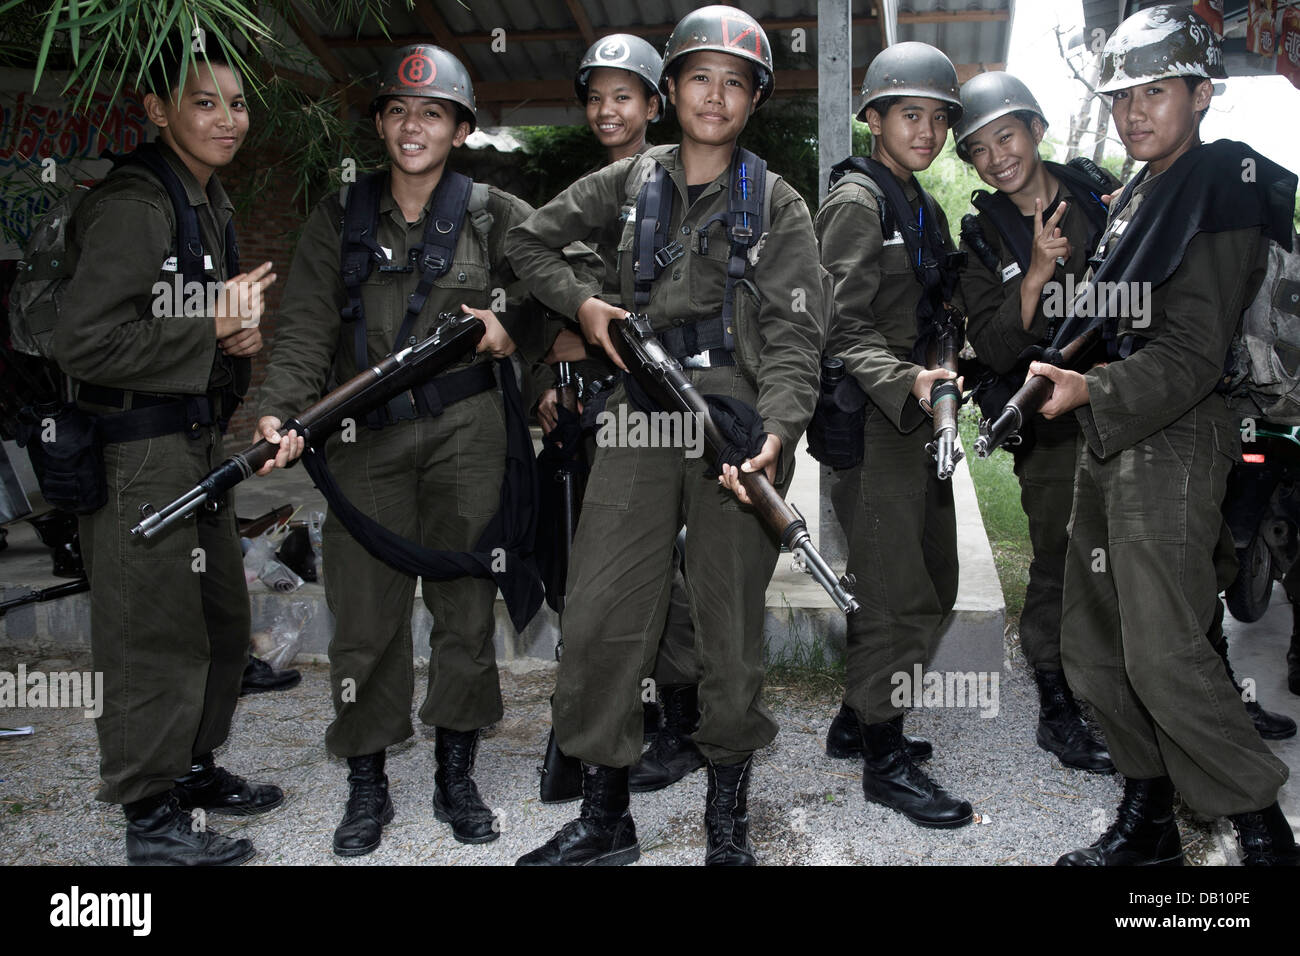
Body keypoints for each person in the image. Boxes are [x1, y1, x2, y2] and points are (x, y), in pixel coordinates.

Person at [255, 44, 595, 857]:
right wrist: (280, 411)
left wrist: (525, 336)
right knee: (364, 622)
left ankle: (456, 772)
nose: (415, 126)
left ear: (460, 127)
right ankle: (367, 780)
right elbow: (303, 326)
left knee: (464, 611)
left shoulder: (497, 214)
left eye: (433, 112)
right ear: (380, 123)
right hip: (363, 442)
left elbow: (569, 285)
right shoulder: (340, 217)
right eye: (400, 111)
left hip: (468, 438)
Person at [507, 5, 824, 865]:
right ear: (672, 90)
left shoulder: (780, 202)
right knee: (605, 606)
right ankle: (607, 816)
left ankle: (727, 813)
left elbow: (798, 337)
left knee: (727, 625)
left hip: (735, 420)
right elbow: (530, 242)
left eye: (734, 81)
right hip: (642, 404)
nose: (714, 96)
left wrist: (779, 431)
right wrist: (584, 304)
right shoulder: (631, 180)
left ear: (753, 99)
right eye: (699, 77)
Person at [1033, 5, 1298, 866]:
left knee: (1165, 652)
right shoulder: (1143, 193)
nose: (1134, 111)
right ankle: (1149, 822)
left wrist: (1090, 387)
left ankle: (1263, 834)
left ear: (1202, 94)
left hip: (1176, 436)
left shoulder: (1222, 186)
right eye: (1120, 96)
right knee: (1097, 641)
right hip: (1114, 431)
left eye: (1156, 91)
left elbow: (1188, 355)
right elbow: (1113, 317)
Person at [53, 38, 282, 865]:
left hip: (194, 447)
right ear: (157, 110)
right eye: (204, 102)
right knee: (152, 635)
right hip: (137, 457)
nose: (228, 120)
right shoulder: (135, 204)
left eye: (237, 103)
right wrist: (211, 325)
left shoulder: (205, 198)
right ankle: (150, 818)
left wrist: (236, 339)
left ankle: (190, 766)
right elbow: (84, 342)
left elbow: (189, 324)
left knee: (222, 622)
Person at [815, 41, 973, 829]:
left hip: (916, 420)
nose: (928, 129)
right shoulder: (858, 202)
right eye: (910, 113)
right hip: (873, 422)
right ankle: (883, 758)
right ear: (872, 117)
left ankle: (857, 718)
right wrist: (905, 376)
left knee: (934, 579)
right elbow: (835, 325)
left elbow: (931, 311)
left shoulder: (920, 203)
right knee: (892, 593)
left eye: (939, 117)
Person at [951, 71, 1115, 774]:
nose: (997, 156)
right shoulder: (982, 237)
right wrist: (1036, 276)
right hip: (1047, 418)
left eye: (1007, 136)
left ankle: (1200, 681)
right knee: (1061, 554)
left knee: (1160, 550)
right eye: (979, 148)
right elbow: (989, 345)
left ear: (1037, 130)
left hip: (1123, 397)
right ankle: (1056, 700)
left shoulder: (1097, 194)